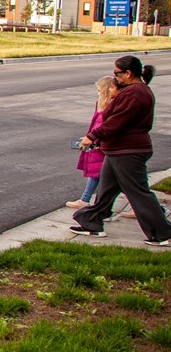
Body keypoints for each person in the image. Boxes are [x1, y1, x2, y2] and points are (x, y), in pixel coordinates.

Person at [70, 57, 170, 246]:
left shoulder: (134, 93)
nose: (115, 77)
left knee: (138, 193)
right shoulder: (136, 91)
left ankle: (163, 233)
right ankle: (92, 222)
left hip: (128, 151)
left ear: (128, 73)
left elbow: (117, 121)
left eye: (117, 73)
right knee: (106, 190)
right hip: (117, 151)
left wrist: (92, 136)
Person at [67, 76, 118, 209]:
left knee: (114, 180)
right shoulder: (103, 106)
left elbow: (102, 127)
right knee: (98, 173)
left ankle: (100, 208)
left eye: (99, 90)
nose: (98, 93)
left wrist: (91, 139)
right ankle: (86, 199)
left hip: (102, 146)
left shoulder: (109, 108)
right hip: (98, 144)